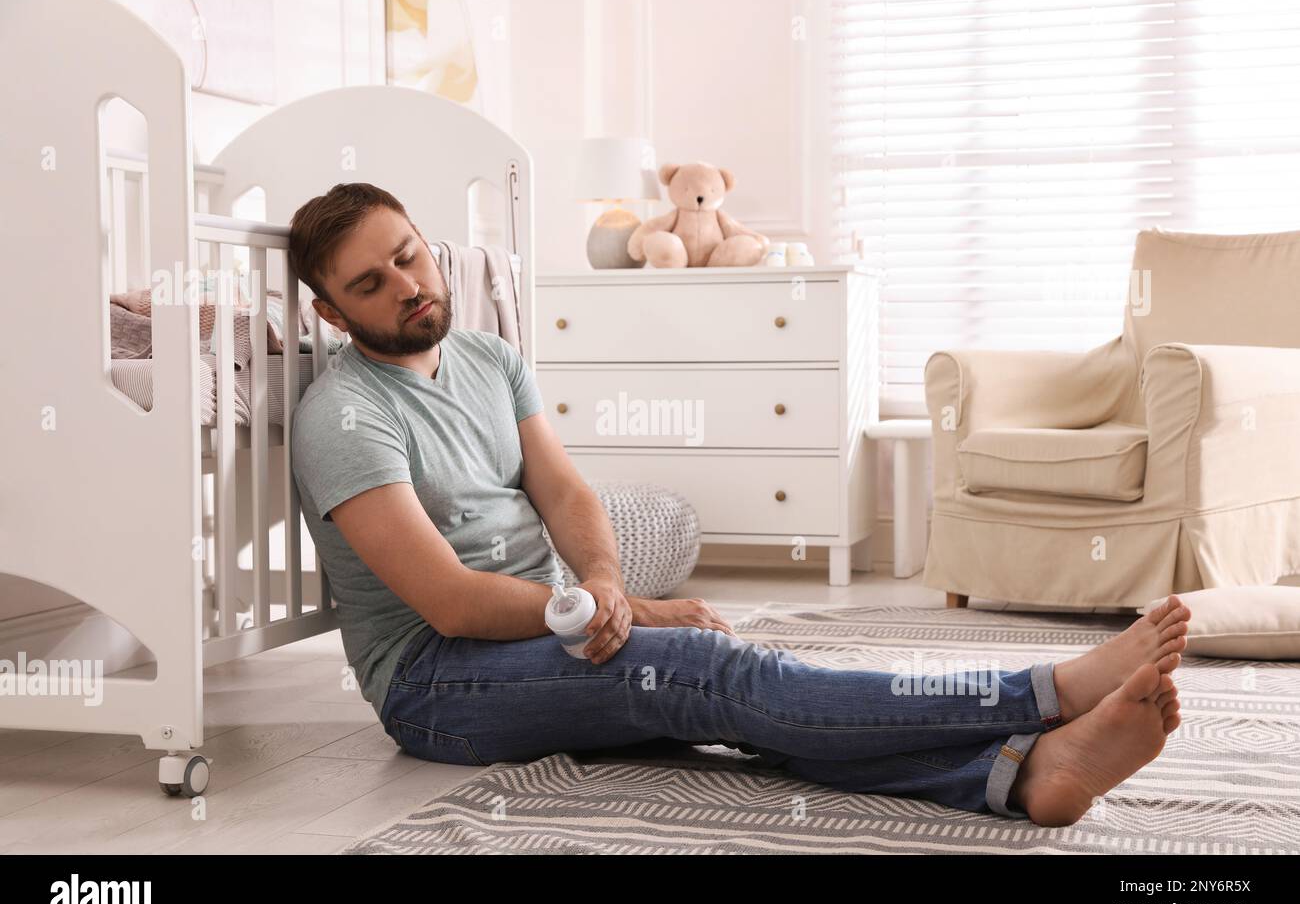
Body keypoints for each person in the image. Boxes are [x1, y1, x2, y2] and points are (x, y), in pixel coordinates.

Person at [286, 183, 1187, 828]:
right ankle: (1044, 695)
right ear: (332, 314)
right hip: (440, 683)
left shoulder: (487, 358)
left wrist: (602, 578)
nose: (406, 285)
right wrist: (620, 611)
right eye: (370, 284)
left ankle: (1019, 778)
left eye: (407, 256)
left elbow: (561, 489)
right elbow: (448, 601)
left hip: (548, 624)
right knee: (712, 674)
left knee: (737, 705)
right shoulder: (345, 418)